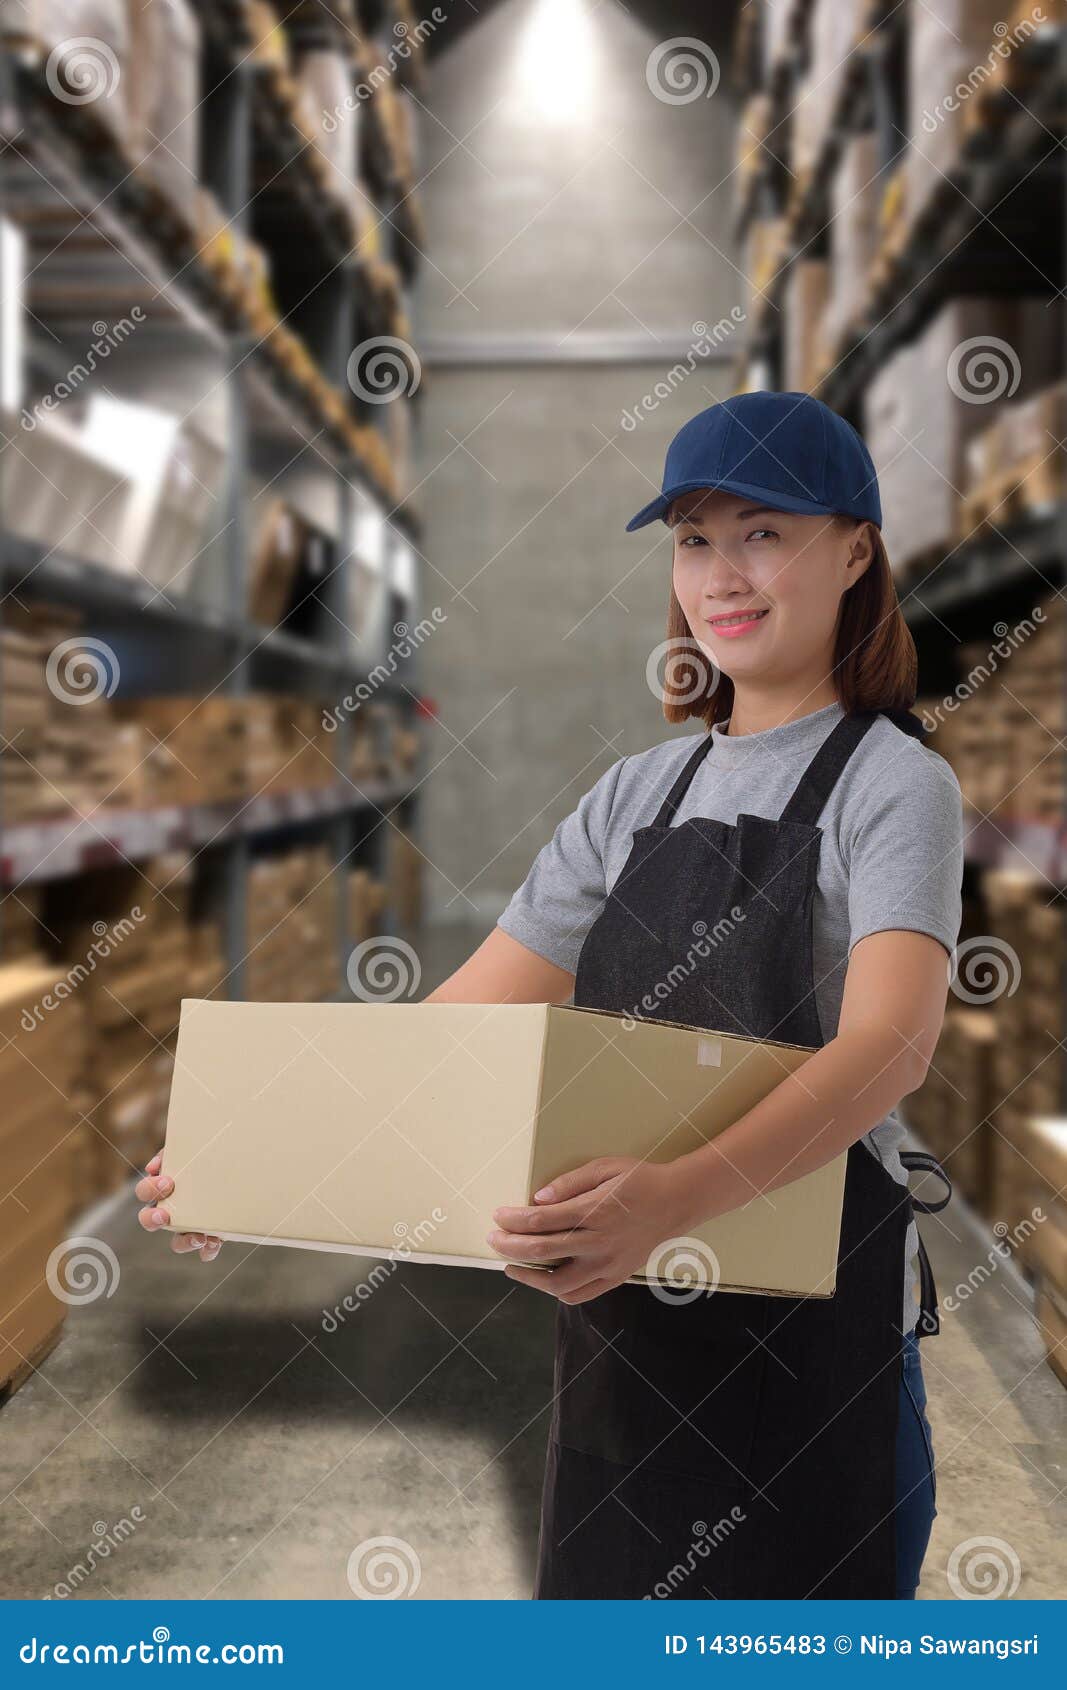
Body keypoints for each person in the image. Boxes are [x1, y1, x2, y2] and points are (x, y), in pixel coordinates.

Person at [137, 389, 962, 1602]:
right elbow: (449, 1029)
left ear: (852, 550)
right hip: (627, 1357)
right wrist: (245, 1162)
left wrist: (674, 1199)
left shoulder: (895, 785)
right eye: (692, 538)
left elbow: (891, 1045)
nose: (721, 574)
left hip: (813, 1356)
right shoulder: (634, 796)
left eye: (762, 532)